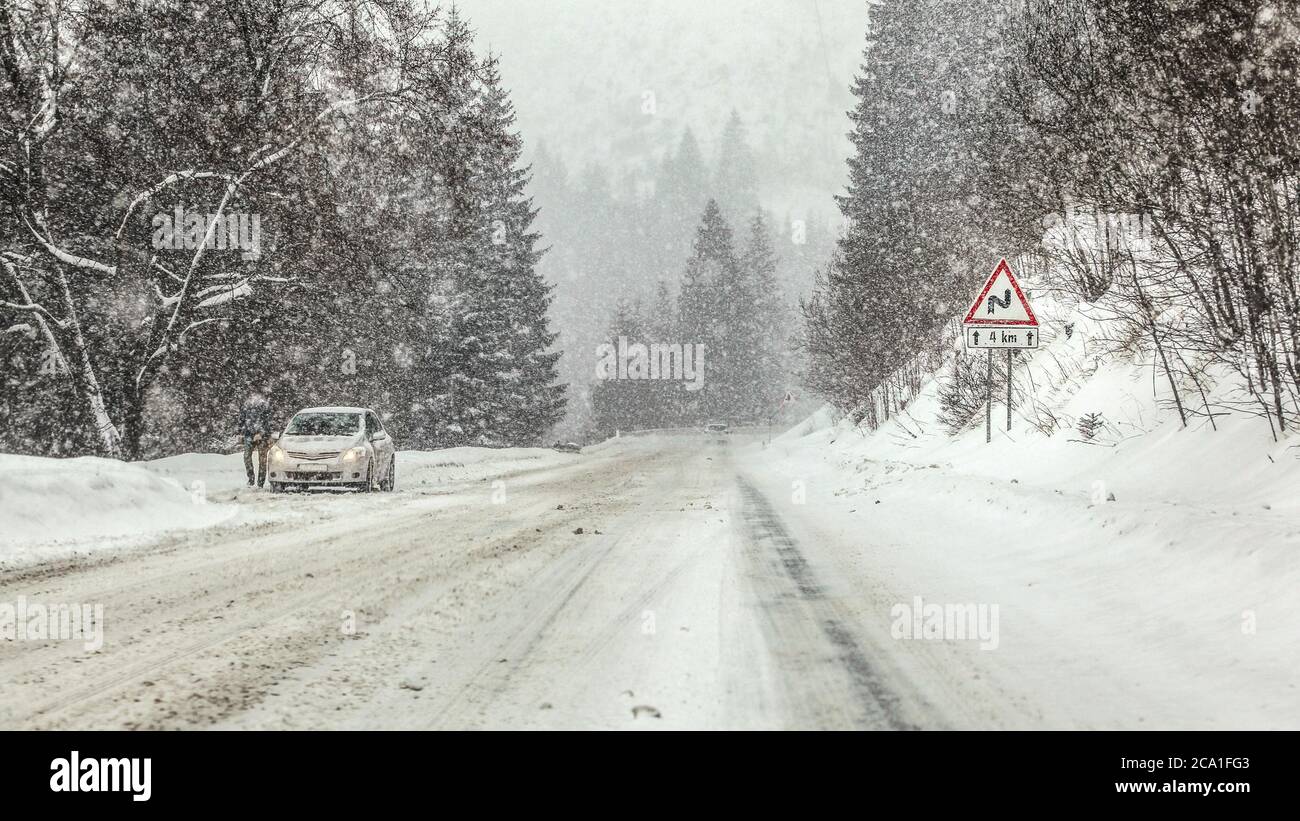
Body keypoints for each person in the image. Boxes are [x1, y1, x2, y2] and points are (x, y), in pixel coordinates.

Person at [238, 392, 275, 487]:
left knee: (262, 459)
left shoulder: (264, 405)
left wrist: (262, 433)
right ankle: (251, 478)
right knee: (247, 457)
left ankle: (260, 482)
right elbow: (242, 419)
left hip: (262, 436)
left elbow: (268, 421)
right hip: (248, 434)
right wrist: (240, 432)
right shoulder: (246, 404)